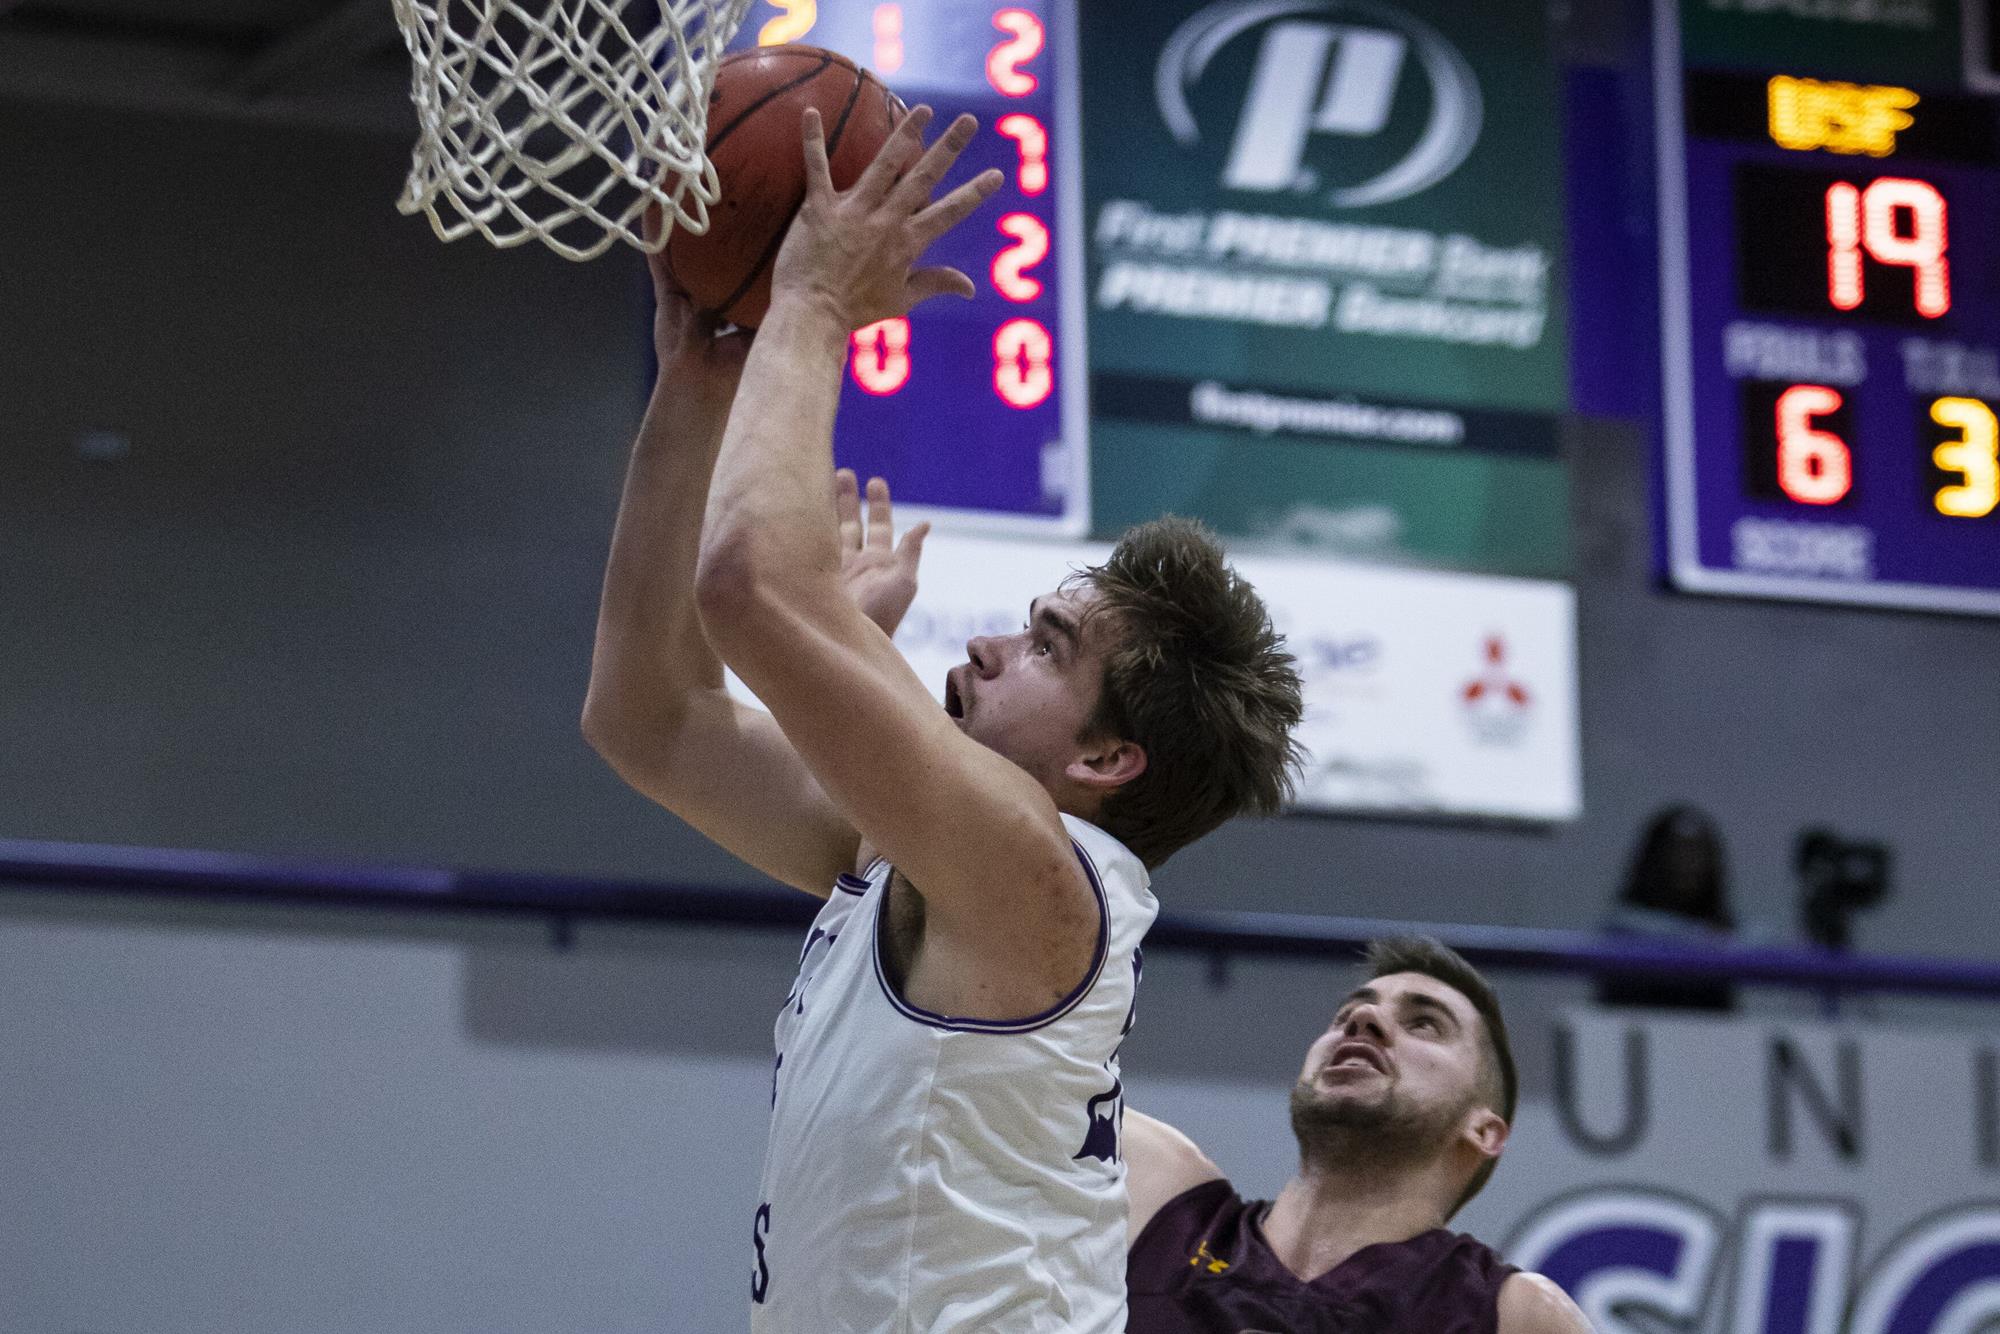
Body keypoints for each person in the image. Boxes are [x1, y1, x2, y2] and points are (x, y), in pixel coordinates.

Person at [581, 105, 1305, 1333]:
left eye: (1043, 646)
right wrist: (700, 383)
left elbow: (747, 583)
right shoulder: (922, 858)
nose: (983, 643)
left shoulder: (1038, 879)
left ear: (1105, 756)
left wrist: (805, 306)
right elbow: (647, 715)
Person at [1122, 937, 1592, 1334]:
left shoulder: (1515, 1314)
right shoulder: (1159, 1193)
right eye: (1348, 1012)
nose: (1362, 1021)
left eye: (1424, 1023)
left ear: (1483, 1129)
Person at [1597, 803, 1737, 1010]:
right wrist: (1703, 939)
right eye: (1678, 850)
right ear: (1655, 858)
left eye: (1698, 853)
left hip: (1707, 1033)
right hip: (1636, 1025)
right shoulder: (1622, 928)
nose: (1689, 864)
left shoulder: (1728, 934)